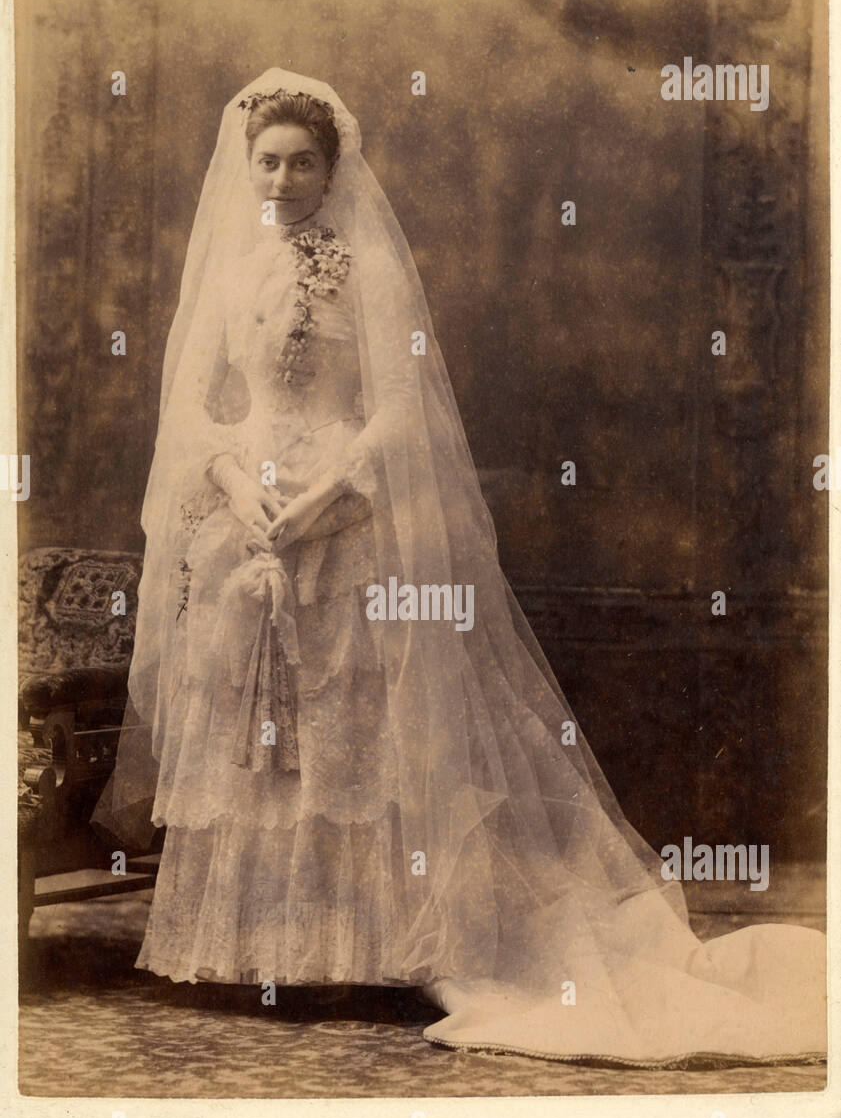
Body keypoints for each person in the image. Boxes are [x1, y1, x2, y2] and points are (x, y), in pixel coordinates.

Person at [95, 69, 826, 1067]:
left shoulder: (364, 265)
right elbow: (196, 407)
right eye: (266, 160)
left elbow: (400, 404)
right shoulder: (226, 265)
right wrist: (231, 477)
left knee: (353, 732)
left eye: (302, 161)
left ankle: (373, 946)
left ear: (332, 166)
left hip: (345, 515)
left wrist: (328, 488)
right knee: (264, 745)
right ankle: (268, 947)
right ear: (245, 164)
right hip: (250, 518)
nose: (282, 177)